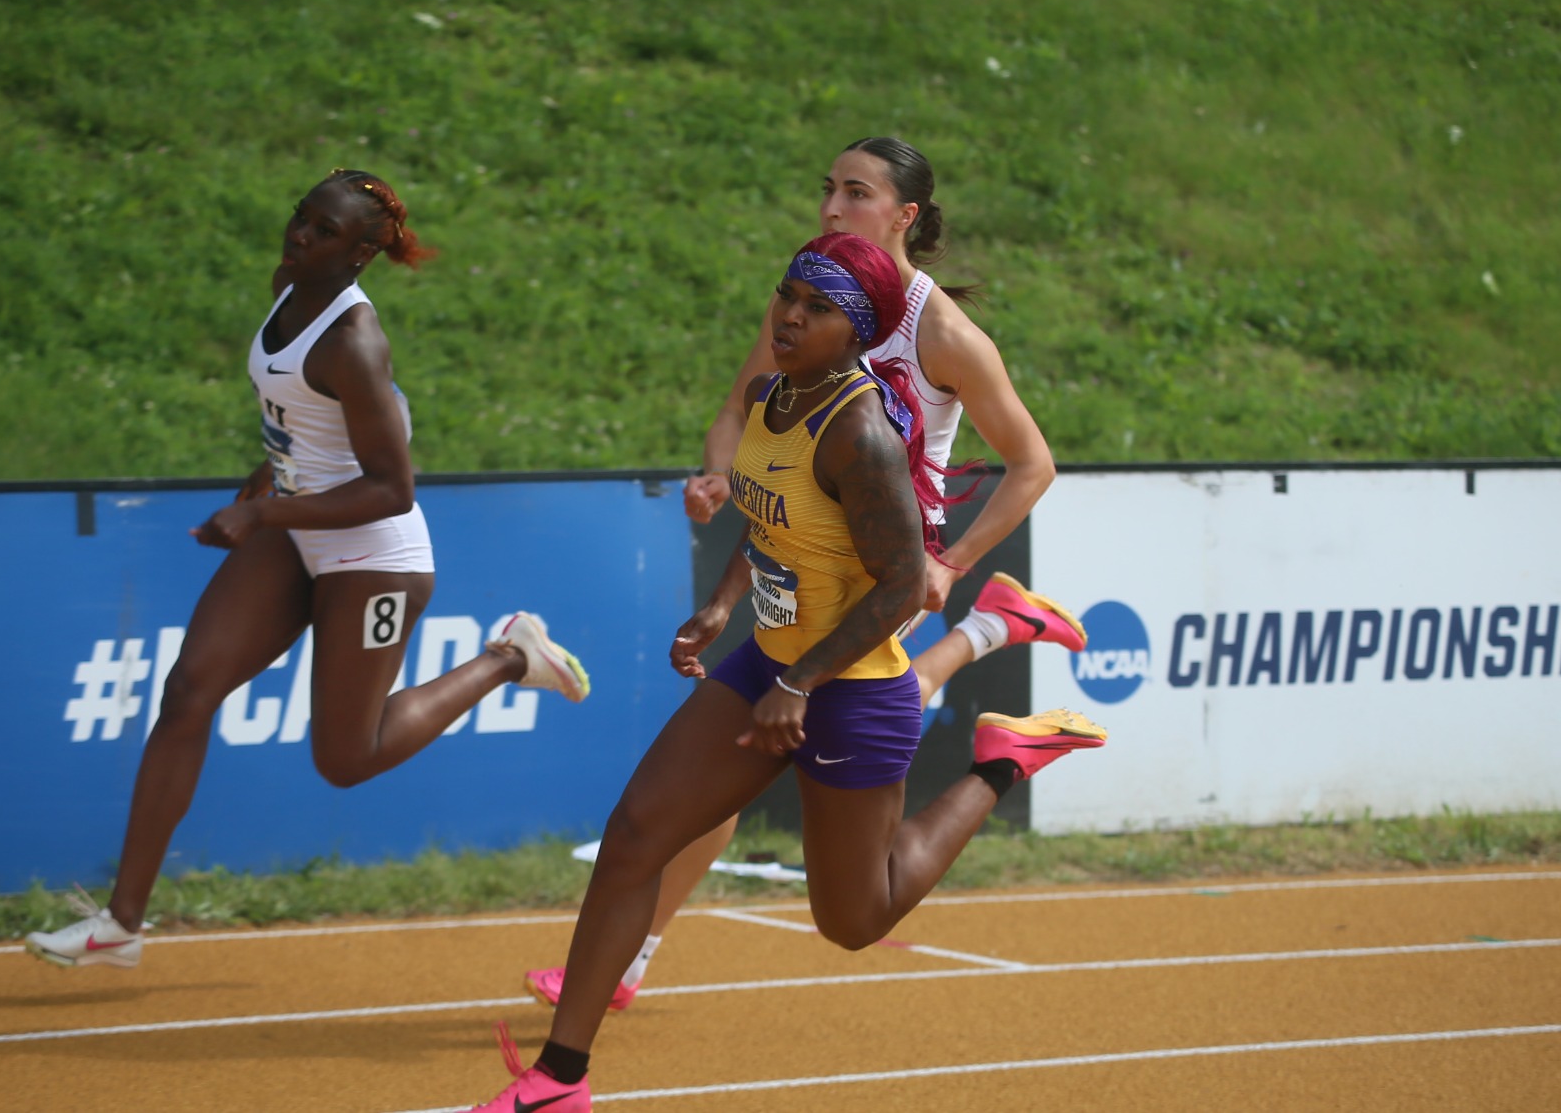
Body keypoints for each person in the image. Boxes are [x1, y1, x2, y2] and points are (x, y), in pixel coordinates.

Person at [462, 232, 1106, 1112]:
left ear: (861, 333)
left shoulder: (861, 436)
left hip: (849, 690)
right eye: (786, 298)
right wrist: (725, 605)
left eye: (818, 309)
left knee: (854, 920)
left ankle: (1001, 762)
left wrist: (799, 684)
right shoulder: (770, 396)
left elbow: (898, 591)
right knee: (635, 836)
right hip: (767, 657)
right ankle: (557, 1080)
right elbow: (771, 521)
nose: (790, 318)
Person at [26, 169, 590, 969]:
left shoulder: (354, 339)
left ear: (359, 253)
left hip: (373, 553)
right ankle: (122, 923)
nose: (300, 234)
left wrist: (261, 513)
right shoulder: (289, 285)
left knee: (345, 759)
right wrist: (271, 476)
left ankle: (509, 657)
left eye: (323, 231)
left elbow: (392, 488)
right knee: (188, 692)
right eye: (302, 216)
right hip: (299, 523)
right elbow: (303, 420)